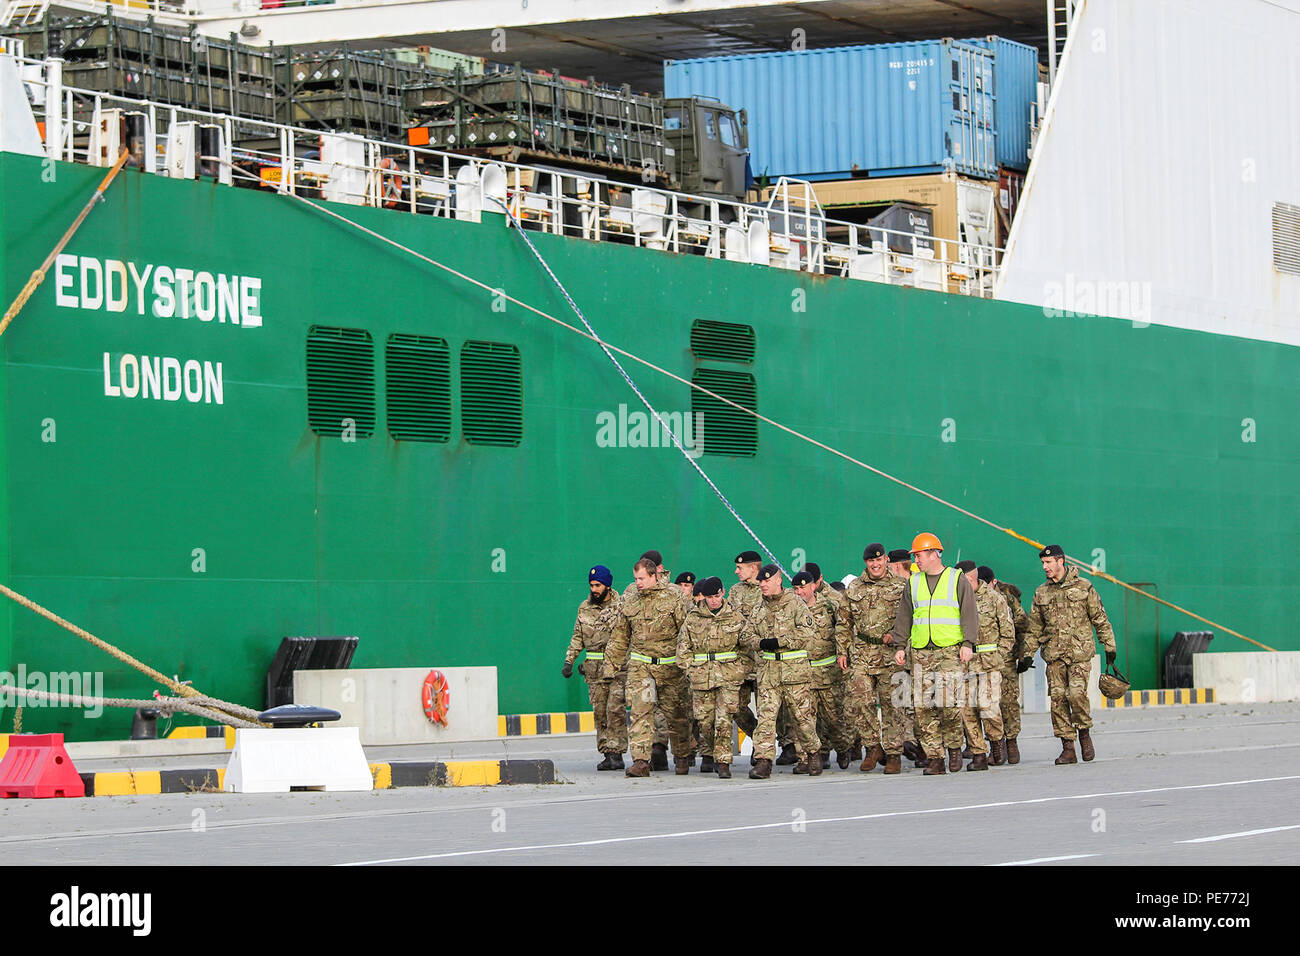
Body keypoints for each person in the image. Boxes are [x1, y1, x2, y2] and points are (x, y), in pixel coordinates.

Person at [892, 532, 979, 775]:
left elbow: (969, 613)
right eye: (915, 556)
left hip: (949, 652)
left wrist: (968, 643)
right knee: (923, 707)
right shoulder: (914, 582)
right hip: (920, 653)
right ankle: (935, 758)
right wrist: (900, 646)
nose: (915, 560)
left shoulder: (956, 579)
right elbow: (904, 616)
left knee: (949, 705)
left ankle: (953, 747)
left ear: (933, 554)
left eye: (918, 555)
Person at [1021, 544, 1117, 764]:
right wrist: (1027, 654)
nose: (1045, 567)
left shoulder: (1084, 587)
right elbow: (1035, 627)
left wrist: (1109, 646)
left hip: (1079, 653)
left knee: (1075, 694)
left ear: (1060, 561)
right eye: (1043, 563)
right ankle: (1067, 748)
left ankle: (1084, 732)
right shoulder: (1041, 592)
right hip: (1054, 654)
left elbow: (1099, 619)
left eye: (1048, 563)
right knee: (1057, 700)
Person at [604, 557, 692, 776]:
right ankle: (641, 762)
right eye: (636, 578)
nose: (638, 583)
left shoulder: (674, 595)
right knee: (640, 714)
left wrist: (688, 663)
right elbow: (620, 634)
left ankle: (682, 757)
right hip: (641, 666)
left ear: (654, 575)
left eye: (642, 578)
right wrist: (610, 666)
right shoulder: (631, 596)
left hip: (671, 667)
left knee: (677, 716)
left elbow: (687, 631)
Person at [748, 564, 821, 779]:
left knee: (802, 718)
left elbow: (808, 633)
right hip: (768, 672)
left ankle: (813, 754)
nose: (763, 585)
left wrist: (780, 642)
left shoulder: (795, 604)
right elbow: (745, 635)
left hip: (794, 673)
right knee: (766, 719)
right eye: (760, 581)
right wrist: (760, 643)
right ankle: (763, 762)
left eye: (767, 581)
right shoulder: (758, 608)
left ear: (778, 581)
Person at [841, 543, 908, 774]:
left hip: (891, 655)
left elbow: (911, 617)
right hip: (862, 653)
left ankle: (894, 753)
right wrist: (842, 650)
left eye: (879, 560)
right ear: (866, 563)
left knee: (893, 705)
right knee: (861, 702)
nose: (875, 565)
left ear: (886, 560)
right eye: (871, 561)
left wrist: (899, 638)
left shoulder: (901, 586)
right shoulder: (855, 588)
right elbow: (843, 621)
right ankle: (872, 747)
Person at [676, 576, 750, 778]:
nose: (714, 601)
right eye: (709, 597)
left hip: (728, 678)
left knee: (724, 721)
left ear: (723, 593)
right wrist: (691, 670)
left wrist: (740, 669)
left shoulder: (735, 617)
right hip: (702, 678)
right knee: (705, 723)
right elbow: (683, 649)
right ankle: (716, 752)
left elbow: (747, 647)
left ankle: (724, 762)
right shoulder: (693, 618)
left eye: (716, 596)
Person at [562, 565, 626, 770]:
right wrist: (569, 661)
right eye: (591, 585)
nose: (594, 589)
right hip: (594, 671)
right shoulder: (584, 607)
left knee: (614, 709)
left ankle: (618, 753)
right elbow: (577, 637)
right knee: (600, 712)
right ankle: (607, 752)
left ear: (608, 585)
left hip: (616, 668)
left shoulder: (621, 605)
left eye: (598, 585)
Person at [957, 564, 1016, 769]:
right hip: (964, 665)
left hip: (989, 663)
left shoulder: (994, 598)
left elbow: (1008, 632)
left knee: (988, 706)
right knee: (967, 710)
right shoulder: (956, 601)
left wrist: (999, 657)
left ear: (971, 579)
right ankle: (978, 754)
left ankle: (997, 745)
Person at [792, 570, 850, 771]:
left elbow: (843, 631)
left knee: (833, 720)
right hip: (802, 674)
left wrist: (843, 655)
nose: (799, 592)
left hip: (828, 673)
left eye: (803, 588)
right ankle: (806, 758)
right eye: (796, 589)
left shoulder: (829, 606)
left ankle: (842, 748)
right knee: (803, 719)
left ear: (813, 586)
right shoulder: (791, 610)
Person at [993, 570, 1031, 763]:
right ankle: (996, 744)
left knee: (1008, 700)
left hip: (1007, 656)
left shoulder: (1006, 597)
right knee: (988, 704)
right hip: (982, 659)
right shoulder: (969, 596)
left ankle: (1012, 742)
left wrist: (1024, 655)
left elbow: (1023, 624)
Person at [728, 549, 764, 744]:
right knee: (735, 706)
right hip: (741, 662)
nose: (736, 571)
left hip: (763, 661)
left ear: (753, 568)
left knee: (769, 709)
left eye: (740, 567)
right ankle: (757, 737)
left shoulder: (768, 589)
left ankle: (785, 746)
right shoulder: (735, 591)